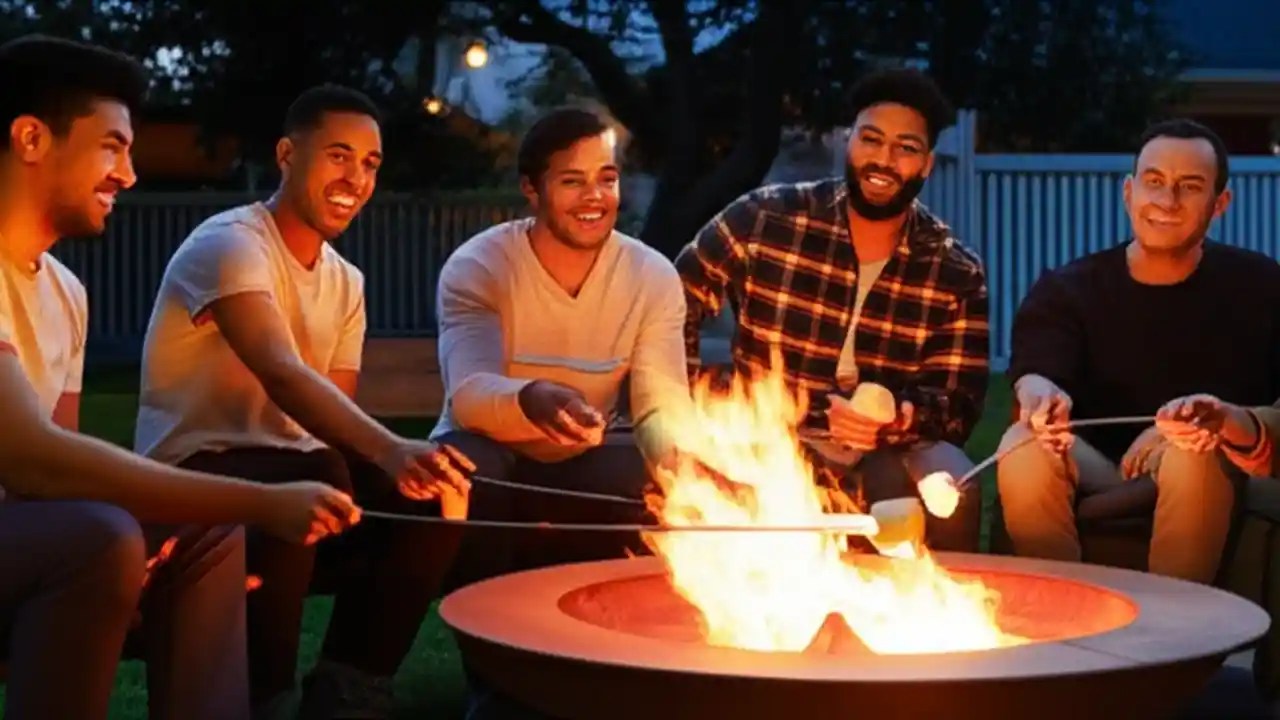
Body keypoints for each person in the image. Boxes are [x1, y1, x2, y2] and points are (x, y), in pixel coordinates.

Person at [0, 35, 361, 720]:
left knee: (204, 533)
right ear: (30, 138)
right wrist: (260, 503)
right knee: (99, 540)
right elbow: (30, 459)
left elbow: (65, 478)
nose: (129, 175)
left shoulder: (66, 293)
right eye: (112, 146)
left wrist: (178, 536)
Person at [133, 84, 471, 719]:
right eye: (339, 155)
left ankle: (348, 688)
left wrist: (410, 468)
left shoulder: (347, 283)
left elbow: (328, 418)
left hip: (299, 471)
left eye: (370, 163)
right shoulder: (230, 244)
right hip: (192, 472)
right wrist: (388, 448)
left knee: (431, 498)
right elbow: (282, 373)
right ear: (288, 154)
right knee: (312, 480)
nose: (356, 177)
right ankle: (268, 697)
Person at [431, 107, 689, 717]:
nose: (594, 196)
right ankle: (494, 685)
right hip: (489, 447)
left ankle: (615, 670)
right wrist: (532, 397)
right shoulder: (479, 267)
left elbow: (659, 407)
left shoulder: (650, 275)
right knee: (469, 475)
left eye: (607, 177)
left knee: (653, 481)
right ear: (532, 188)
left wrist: (683, 463)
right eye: (572, 180)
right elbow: (469, 394)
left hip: (584, 456)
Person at [675, 68, 989, 552]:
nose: (883, 160)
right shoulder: (768, 218)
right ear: (848, 141)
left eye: (905, 148)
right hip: (771, 432)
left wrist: (899, 417)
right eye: (871, 139)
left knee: (954, 477)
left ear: (926, 165)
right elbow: (674, 300)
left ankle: (941, 612)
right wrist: (698, 400)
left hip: (886, 447)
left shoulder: (954, 269)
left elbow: (958, 404)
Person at [996, 118, 1280, 584]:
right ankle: (1062, 622)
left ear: (1220, 203)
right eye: (1154, 183)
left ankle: (1170, 638)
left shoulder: (1262, 287)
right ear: (1129, 192)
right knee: (1021, 444)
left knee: (1192, 454)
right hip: (1097, 466)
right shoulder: (1068, 289)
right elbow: (1036, 370)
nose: (1167, 202)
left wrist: (1203, 425)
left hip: (1205, 465)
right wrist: (1038, 393)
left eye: (1189, 187)